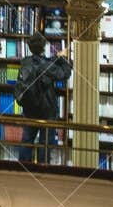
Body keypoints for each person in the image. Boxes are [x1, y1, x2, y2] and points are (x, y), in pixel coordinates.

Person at [14, 34, 72, 164]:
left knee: (27, 141)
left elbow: (43, 63)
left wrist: (56, 58)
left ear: (29, 47)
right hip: (47, 111)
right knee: (45, 142)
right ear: (43, 47)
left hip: (29, 110)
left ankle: (23, 169)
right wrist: (64, 59)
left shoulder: (25, 62)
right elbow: (64, 74)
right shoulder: (45, 65)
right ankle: (42, 168)